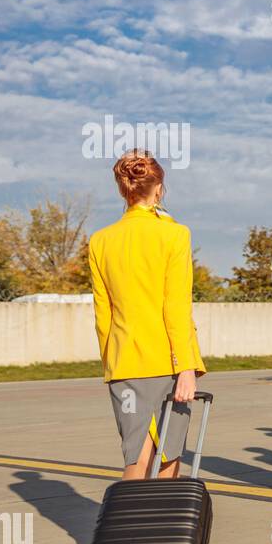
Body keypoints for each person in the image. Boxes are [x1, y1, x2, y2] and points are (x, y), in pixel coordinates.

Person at [89, 149, 206, 480]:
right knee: (168, 459)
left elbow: (103, 314)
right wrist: (186, 367)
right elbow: (176, 306)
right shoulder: (174, 235)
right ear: (159, 187)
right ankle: (161, 531)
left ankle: (125, 530)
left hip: (123, 363)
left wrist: (112, 362)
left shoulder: (100, 241)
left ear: (122, 189)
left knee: (135, 460)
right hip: (166, 362)